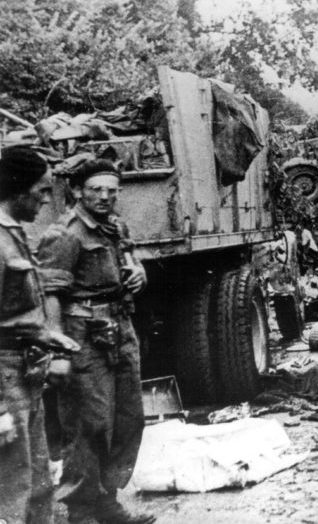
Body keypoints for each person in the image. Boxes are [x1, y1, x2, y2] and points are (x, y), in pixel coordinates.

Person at [36, 159, 153, 524]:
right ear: (77, 192)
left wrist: (138, 271)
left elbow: (131, 257)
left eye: (111, 190)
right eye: (96, 190)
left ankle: (108, 501)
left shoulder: (115, 226)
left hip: (120, 326)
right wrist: (59, 350)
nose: (105, 197)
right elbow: (51, 293)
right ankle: (82, 510)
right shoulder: (65, 233)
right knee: (89, 424)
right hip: (83, 335)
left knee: (128, 417)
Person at [0, 146, 80, 524]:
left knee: (38, 485)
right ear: (17, 188)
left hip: (24, 372)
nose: (47, 199)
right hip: (4, 380)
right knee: (10, 491)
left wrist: (42, 334)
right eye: (42, 190)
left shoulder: (14, 233)